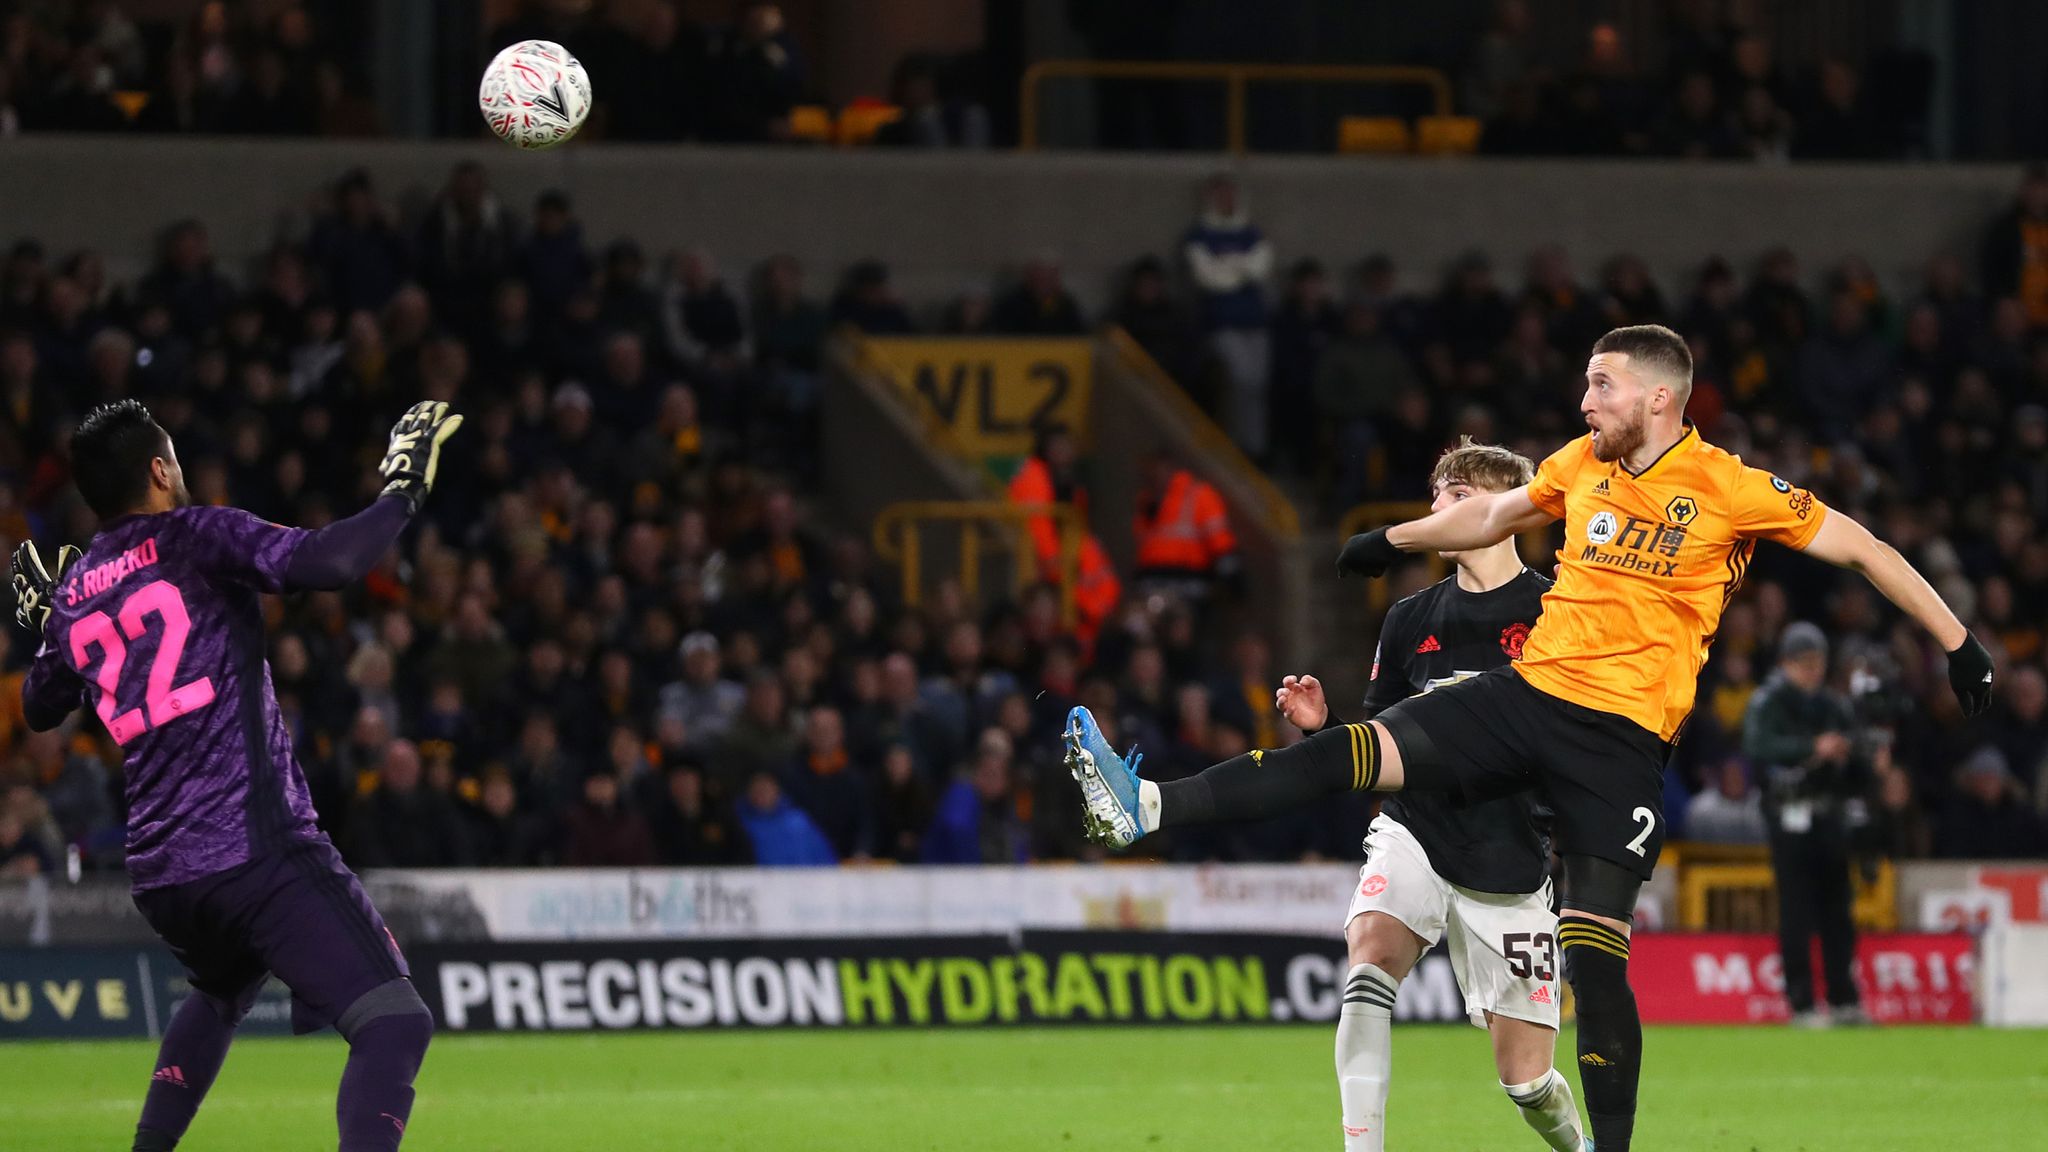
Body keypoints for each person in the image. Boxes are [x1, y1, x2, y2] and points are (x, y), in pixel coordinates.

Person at [1062, 324, 1995, 1152]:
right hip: (1532, 694)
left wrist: (1960, 646)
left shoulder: (1730, 488)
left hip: (1621, 744)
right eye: (1587, 385)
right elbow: (1495, 513)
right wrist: (1394, 537)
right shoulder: (1579, 464)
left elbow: (1865, 548)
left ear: (1661, 398)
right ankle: (1145, 805)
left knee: (1596, 961)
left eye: (1603, 385)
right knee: (1366, 747)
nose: (1586, 401)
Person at [15, 397, 463, 1152]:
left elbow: (36, 705)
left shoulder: (81, 587)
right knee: (395, 1023)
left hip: (162, 875)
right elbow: (333, 562)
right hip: (252, 845)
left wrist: (52, 619)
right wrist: (402, 488)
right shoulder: (192, 534)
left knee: (223, 990)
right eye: (177, 460)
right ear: (160, 470)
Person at [1272, 439, 1585, 1152]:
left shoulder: (1556, 613)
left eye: (1457, 494)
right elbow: (1386, 742)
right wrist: (1331, 733)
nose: (1437, 508)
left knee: (1528, 1083)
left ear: (1504, 511)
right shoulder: (1410, 618)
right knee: (1370, 957)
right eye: (1437, 492)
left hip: (1509, 853)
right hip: (1417, 828)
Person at [1741, 621, 1871, 1027]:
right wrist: (1812, 748)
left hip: (1830, 813)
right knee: (1796, 910)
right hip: (1788, 813)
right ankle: (1801, 1003)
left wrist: (1855, 757)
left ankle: (1844, 998)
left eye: (1818, 663)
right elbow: (1758, 747)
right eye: (1805, 663)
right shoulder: (1769, 701)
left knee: (1839, 910)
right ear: (1786, 663)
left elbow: (1859, 752)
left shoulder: (1833, 704)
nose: (1813, 671)